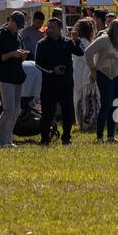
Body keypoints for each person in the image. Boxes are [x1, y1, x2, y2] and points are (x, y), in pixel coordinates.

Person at [35, 18, 83, 146]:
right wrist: (52, 70)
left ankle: (66, 138)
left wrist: (77, 41)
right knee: (47, 114)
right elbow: (38, 63)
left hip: (66, 84)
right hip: (49, 84)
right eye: (48, 27)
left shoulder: (67, 42)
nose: (50, 30)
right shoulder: (42, 43)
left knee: (68, 112)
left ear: (60, 28)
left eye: (53, 27)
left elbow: (81, 52)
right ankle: (45, 139)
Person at [83, 19, 118, 143]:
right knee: (106, 105)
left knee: (115, 105)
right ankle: (99, 137)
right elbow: (88, 52)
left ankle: (110, 136)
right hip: (105, 75)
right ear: (116, 29)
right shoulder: (104, 39)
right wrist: (92, 69)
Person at [0, 12, 30, 148]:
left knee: (16, 110)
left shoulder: (17, 36)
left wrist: (23, 55)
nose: (18, 28)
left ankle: (8, 139)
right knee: (8, 110)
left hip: (17, 75)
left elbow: (20, 52)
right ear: (11, 21)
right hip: (5, 77)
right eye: (17, 25)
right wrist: (13, 54)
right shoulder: (0, 36)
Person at [72, 18, 98, 132]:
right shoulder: (83, 42)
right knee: (84, 100)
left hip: (80, 74)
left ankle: (83, 122)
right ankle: (84, 123)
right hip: (84, 75)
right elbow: (87, 57)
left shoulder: (81, 41)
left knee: (81, 100)